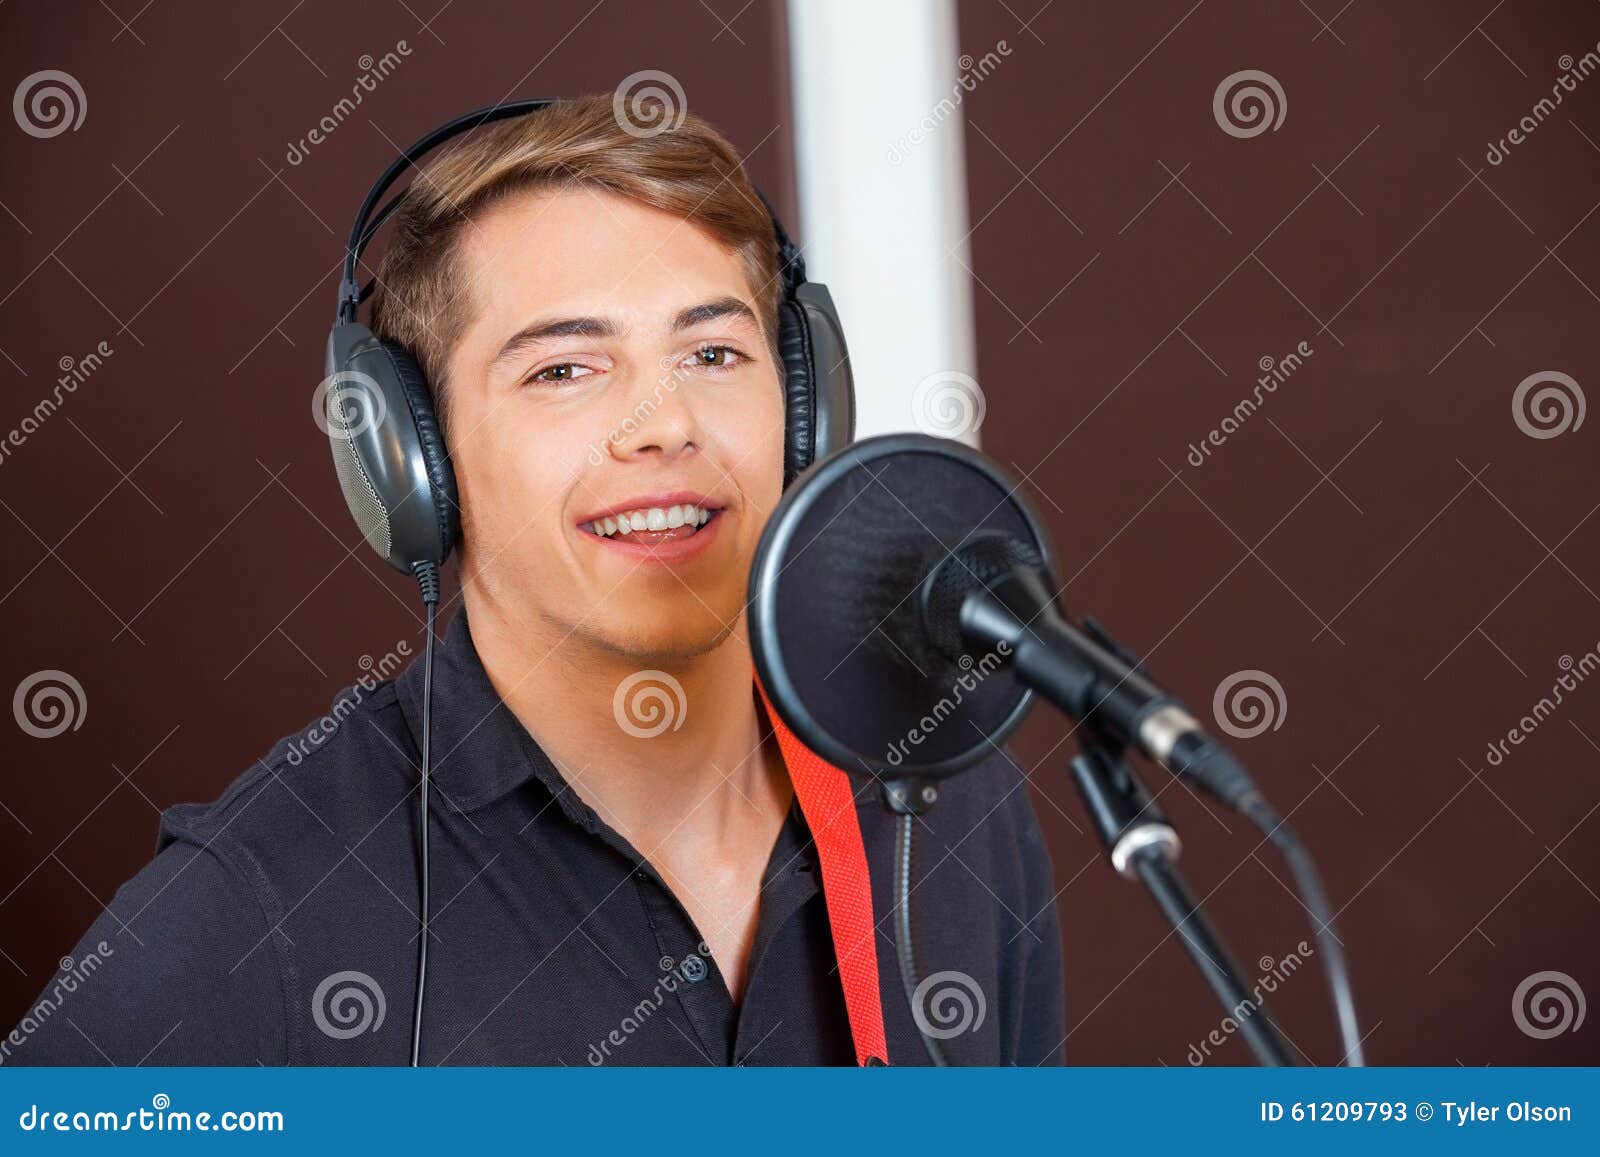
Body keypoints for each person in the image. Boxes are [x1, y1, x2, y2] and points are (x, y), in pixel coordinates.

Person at [5, 95, 1063, 1066]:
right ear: (413, 460)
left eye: (713, 354)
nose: (668, 427)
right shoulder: (262, 906)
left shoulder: (948, 798)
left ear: (805, 403)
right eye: (563, 368)